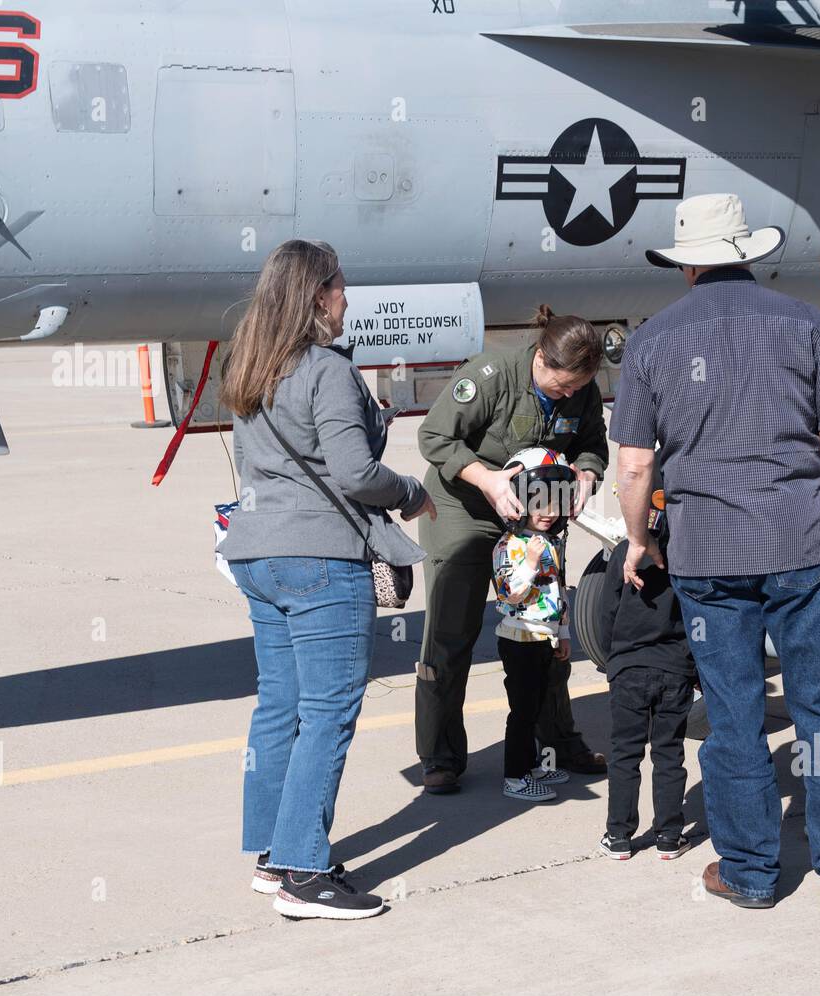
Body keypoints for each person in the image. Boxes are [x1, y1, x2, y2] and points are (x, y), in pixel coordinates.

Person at [611, 193, 820, 909]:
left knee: (733, 714)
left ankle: (749, 872)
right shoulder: (808, 323)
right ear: (749, 255)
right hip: (803, 546)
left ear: (687, 268)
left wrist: (637, 540)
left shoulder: (652, 339)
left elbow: (633, 464)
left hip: (705, 556)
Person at [220, 239, 436, 921]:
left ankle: (274, 853)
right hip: (319, 560)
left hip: (257, 557)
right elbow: (354, 475)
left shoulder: (249, 367)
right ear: (318, 295)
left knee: (279, 707)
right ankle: (304, 875)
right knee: (328, 714)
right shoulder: (326, 371)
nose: (349, 298)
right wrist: (410, 491)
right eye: (343, 287)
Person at [414, 306, 609, 794]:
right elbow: (434, 436)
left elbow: (592, 443)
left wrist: (586, 474)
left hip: (534, 518)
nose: (567, 395)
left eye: (575, 389)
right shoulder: (490, 374)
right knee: (450, 632)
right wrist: (486, 479)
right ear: (539, 358)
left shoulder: (579, 389)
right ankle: (440, 755)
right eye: (560, 386)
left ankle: (557, 740)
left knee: (543, 628)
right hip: (464, 508)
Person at [597, 486, 698, 862]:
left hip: (628, 669)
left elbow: (606, 613)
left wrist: (613, 661)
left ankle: (619, 835)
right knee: (669, 751)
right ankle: (669, 835)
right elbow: (694, 618)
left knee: (625, 753)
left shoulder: (625, 553)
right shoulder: (686, 557)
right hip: (674, 670)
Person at [490, 448, 577, 803]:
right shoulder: (508, 545)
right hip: (519, 638)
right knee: (523, 711)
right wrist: (527, 562)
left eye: (556, 504)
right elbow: (510, 592)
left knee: (540, 705)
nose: (549, 513)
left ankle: (533, 765)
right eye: (539, 504)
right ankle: (515, 777)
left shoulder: (550, 543)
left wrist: (564, 633)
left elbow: (556, 589)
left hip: (544, 637)